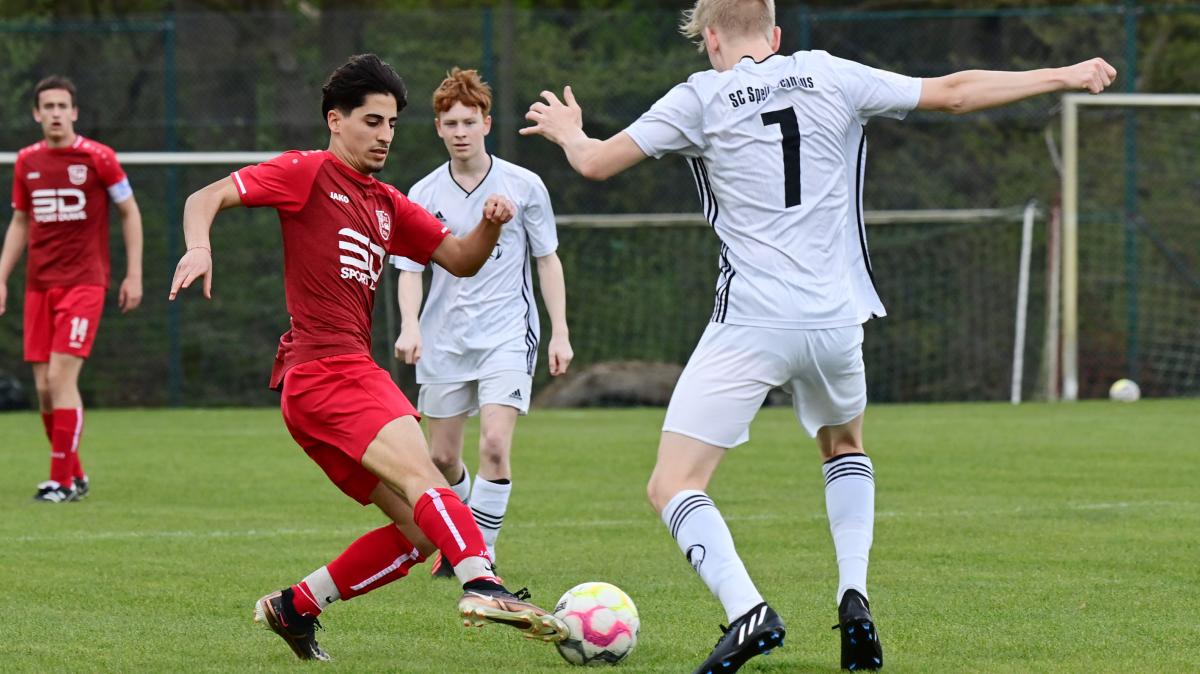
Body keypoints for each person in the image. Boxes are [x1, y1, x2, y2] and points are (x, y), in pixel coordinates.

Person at [519, 1, 1116, 671]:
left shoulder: (700, 96)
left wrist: (570, 131)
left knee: (674, 484)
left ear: (711, 39)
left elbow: (597, 164)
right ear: (775, 36)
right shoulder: (829, 74)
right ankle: (854, 594)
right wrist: (1061, 73)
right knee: (844, 446)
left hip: (752, 322)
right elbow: (951, 93)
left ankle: (749, 610)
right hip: (836, 320)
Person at [168, 54, 567, 662]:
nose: (384, 135)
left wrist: (489, 227)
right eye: (372, 121)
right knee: (429, 480)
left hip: (320, 388)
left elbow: (459, 258)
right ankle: (483, 583)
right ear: (336, 120)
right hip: (328, 371)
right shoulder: (306, 172)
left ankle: (295, 606)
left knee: (415, 532)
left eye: (391, 125)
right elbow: (208, 195)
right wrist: (199, 247)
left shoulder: (386, 202)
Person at [393, 67, 572, 579]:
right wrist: (411, 326)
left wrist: (559, 331)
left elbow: (547, 260)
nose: (460, 131)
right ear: (438, 129)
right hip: (445, 340)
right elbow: (408, 270)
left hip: (507, 334)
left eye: (469, 121)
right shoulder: (423, 194)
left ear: (487, 124)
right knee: (442, 459)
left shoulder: (524, 186)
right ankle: (471, 534)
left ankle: (479, 556)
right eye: (450, 123)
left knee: (494, 444)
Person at [0, 75, 144, 503]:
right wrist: (2, 275)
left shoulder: (100, 158)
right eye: (49, 107)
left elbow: (130, 212)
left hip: (84, 283)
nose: (56, 113)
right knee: (44, 388)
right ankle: (75, 474)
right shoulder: (27, 162)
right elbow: (21, 221)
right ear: (37, 114)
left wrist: (133, 273)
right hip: (38, 287)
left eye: (64, 106)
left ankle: (60, 481)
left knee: (63, 377)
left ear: (75, 112)